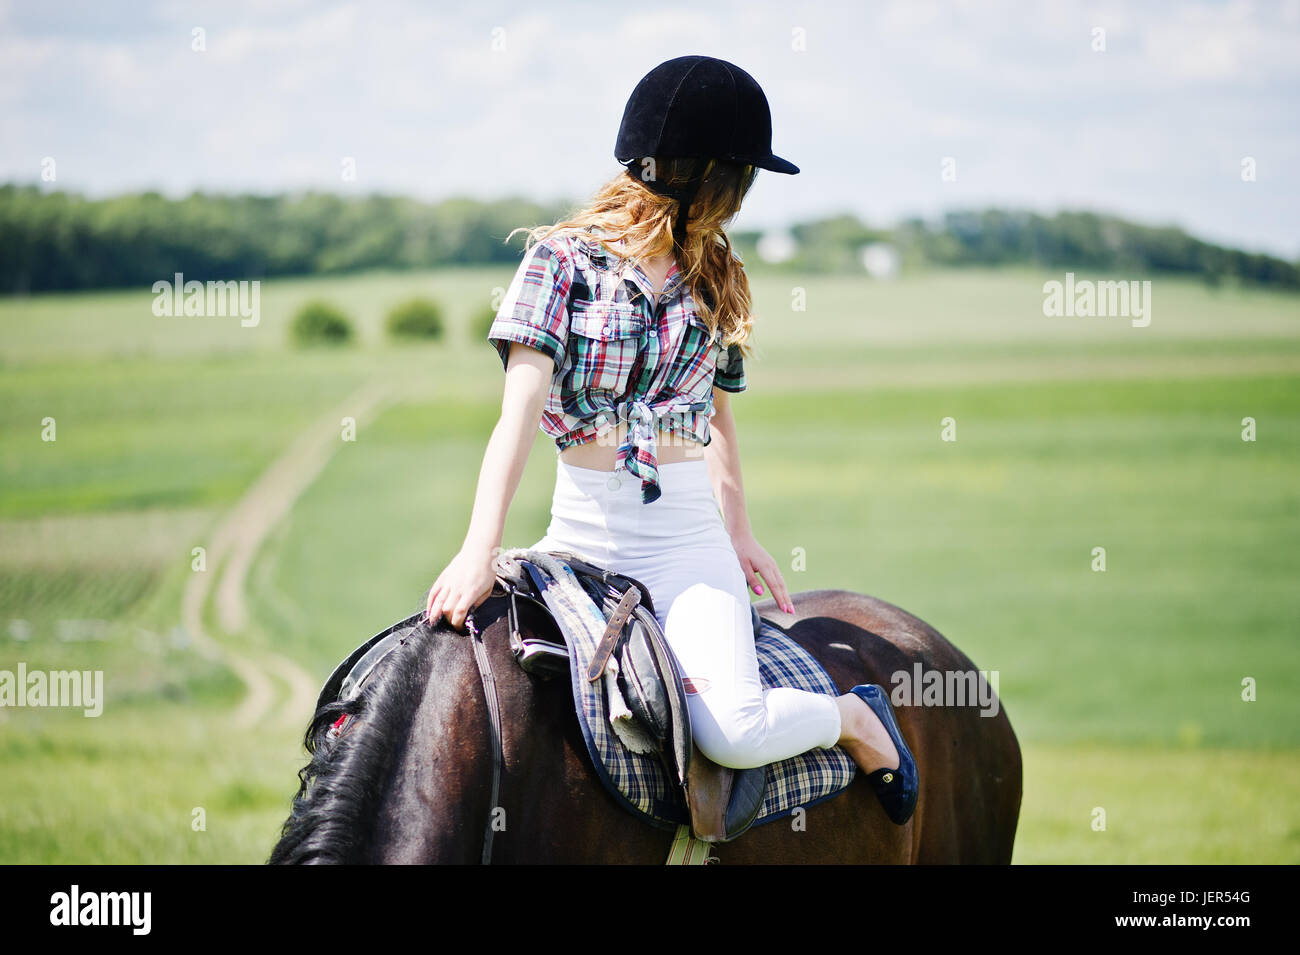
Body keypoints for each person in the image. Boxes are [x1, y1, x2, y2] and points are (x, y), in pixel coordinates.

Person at [426, 55, 917, 825]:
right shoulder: (558, 262)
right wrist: (477, 551)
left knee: (730, 729)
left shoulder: (716, 271)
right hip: (578, 540)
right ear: (704, 177)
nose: (742, 199)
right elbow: (515, 417)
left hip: (686, 543)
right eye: (741, 179)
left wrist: (741, 532)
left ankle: (853, 720)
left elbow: (715, 416)